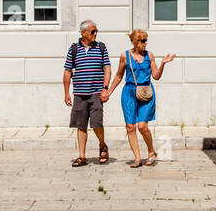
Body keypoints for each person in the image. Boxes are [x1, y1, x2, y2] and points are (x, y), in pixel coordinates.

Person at [105, 29, 175, 167]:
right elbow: (119, 75)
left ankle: (151, 151)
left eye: (146, 40)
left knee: (142, 126)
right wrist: (109, 91)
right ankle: (137, 158)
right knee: (130, 126)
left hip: (146, 92)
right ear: (135, 42)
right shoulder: (125, 56)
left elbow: (156, 76)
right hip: (129, 92)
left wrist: (163, 64)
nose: (146, 43)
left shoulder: (149, 55)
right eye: (143, 41)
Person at [63, 20, 111, 167]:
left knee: (96, 123)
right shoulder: (74, 49)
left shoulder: (101, 47)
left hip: (96, 93)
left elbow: (107, 69)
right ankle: (82, 156)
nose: (95, 34)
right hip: (79, 94)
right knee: (81, 125)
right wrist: (66, 93)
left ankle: (102, 146)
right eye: (92, 31)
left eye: (96, 31)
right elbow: (67, 71)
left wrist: (105, 88)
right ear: (83, 33)